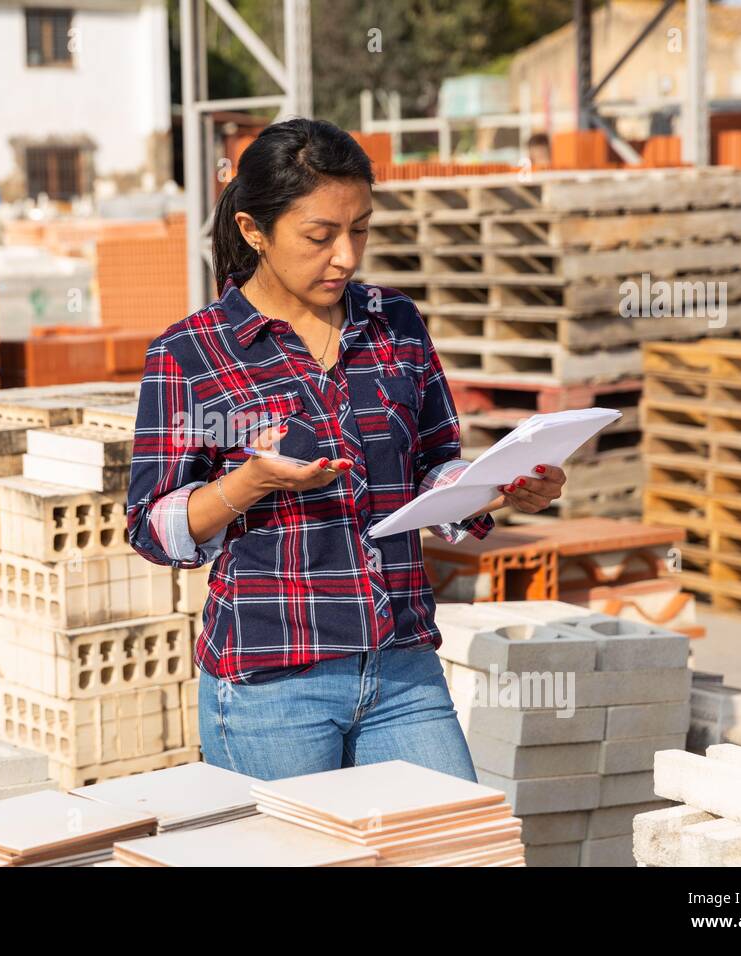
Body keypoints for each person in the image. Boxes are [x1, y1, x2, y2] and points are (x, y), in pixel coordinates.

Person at [126, 118, 566, 782]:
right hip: (273, 683)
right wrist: (248, 484)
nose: (346, 256)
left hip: (403, 668)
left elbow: (433, 462)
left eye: (359, 229)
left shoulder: (396, 324)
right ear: (254, 231)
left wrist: (490, 485)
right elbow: (150, 526)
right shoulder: (189, 356)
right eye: (320, 235)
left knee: (452, 853)